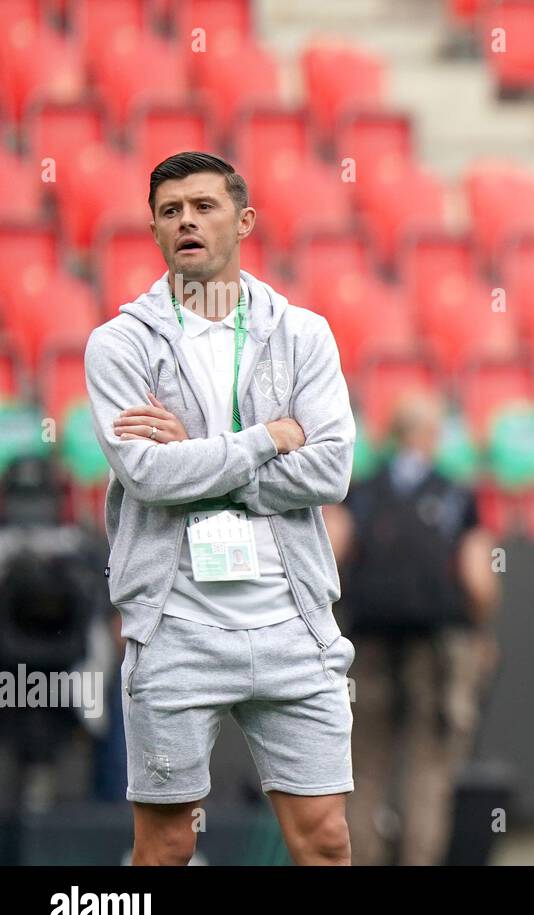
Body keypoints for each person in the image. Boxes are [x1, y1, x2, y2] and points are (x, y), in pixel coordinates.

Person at [84, 151, 357, 865]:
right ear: (153, 230)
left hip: (294, 623)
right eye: (170, 211)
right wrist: (266, 439)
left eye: (204, 206)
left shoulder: (303, 334)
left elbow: (330, 469)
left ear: (244, 221)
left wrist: (201, 459)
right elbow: (148, 474)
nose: (187, 221)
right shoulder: (118, 345)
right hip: (175, 625)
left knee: (326, 839)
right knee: (166, 845)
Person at [337, 392, 500, 865]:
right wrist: (479, 633)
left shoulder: (362, 492)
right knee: (429, 768)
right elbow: (478, 580)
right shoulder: (454, 494)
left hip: (368, 646)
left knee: (364, 766)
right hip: (435, 650)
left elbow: (331, 555)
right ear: (431, 435)